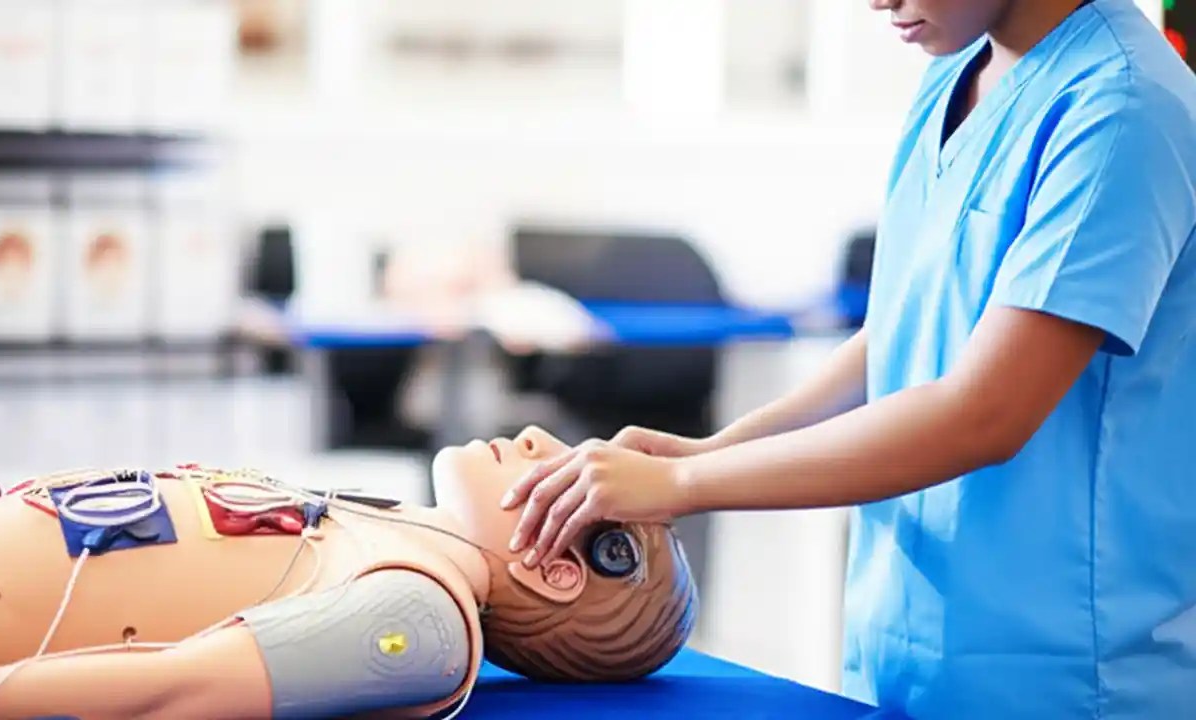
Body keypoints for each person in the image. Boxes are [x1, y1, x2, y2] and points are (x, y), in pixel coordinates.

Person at [503, 1, 1196, 718]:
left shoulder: (1124, 110)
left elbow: (986, 414)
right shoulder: (955, 70)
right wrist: (717, 449)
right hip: (903, 656)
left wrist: (684, 482)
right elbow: (903, 325)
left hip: (1063, 678)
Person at [0, 426, 696, 719]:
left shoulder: (420, 621)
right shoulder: (385, 524)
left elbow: (167, 690)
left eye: (566, 475)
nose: (534, 434)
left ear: (558, 571)